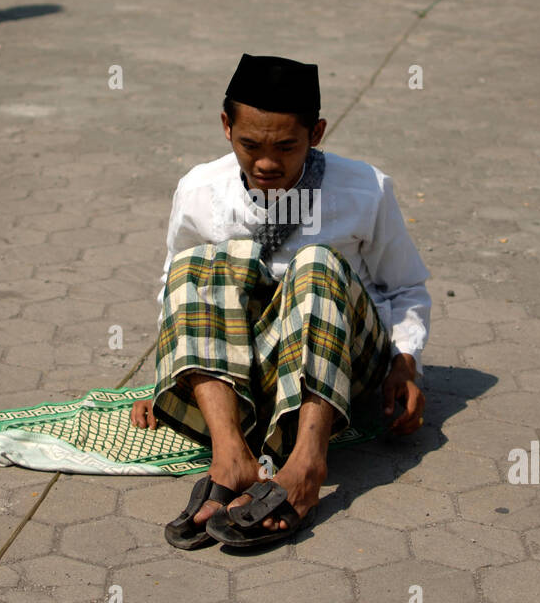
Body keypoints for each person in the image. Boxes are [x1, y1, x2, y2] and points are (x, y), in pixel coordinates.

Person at [131, 54, 430, 549]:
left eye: (287, 146)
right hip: (244, 375)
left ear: (317, 133)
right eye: (250, 145)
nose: (267, 163)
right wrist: (171, 369)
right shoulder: (200, 189)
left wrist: (405, 363)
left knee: (316, 264)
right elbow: (176, 287)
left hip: (335, 371)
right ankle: (232, 456)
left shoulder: (365, 189)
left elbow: (406, 288)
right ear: (226, 127)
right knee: (195, 264)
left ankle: (307, 465)